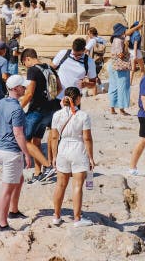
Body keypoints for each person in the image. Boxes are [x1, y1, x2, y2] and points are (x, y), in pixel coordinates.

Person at [50, 86, 95, 227]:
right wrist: (91, 157)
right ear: (78, 99)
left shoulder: (57, 115)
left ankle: (56, 216)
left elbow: (53, 137)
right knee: (77, 186)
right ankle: (77, 218)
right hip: (78, 149)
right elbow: (87, 138)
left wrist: (54, 156)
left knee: (60, 185)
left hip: (63, 148)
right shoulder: (83, 115)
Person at [0, 74, 33, 232]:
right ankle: (2, 224)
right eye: (23, 86)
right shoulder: (17, 109)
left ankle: (14, 210)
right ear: (16, 89)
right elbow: (18, 134)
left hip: (2, 150)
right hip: (12, 152)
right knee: (7, 188)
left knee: (19, 179)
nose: (25, 88)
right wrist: (27, 154)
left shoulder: (0, 103)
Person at [19, 48, 59, 181]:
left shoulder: (33, 70)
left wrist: (18, 108)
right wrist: (49, 97)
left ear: (27, 59)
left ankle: (48, 166)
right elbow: (60, 87)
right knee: (36, 141)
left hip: (37, 109)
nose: (26, 67)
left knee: (24, 140)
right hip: (51, 109)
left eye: (24, 64)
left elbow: (29, 93)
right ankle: (38, 173)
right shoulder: (50, 68)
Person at [108, 22, 135, 115]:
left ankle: (112, 108)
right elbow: (120, 55)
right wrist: (126, 46)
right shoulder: (119, 40)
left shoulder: (115, 39)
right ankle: (121, 109)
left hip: (113, 65)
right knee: (123, 88)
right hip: (121, 67)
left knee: (113, 87)